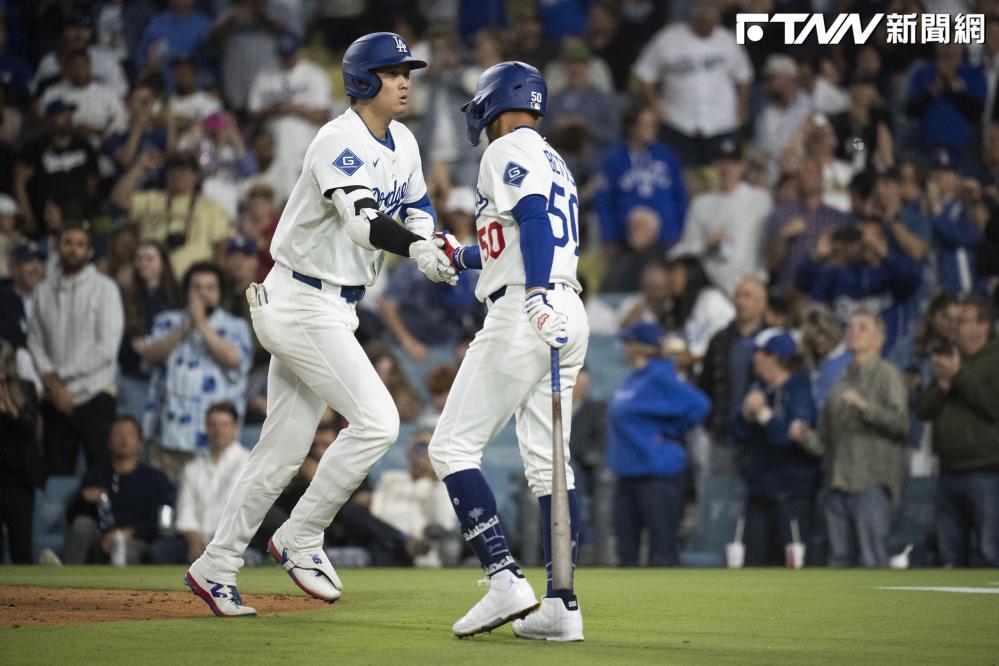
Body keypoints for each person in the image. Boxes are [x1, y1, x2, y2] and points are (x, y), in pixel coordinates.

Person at [184, 32, 454, 618]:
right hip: (300, 299)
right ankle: (301, 537)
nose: (405, 80)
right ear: (362, 81)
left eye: (407, 70)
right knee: (380, 421)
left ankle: (216, 564)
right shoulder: (336, 138)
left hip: (334, 305)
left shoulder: (404, 140)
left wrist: (433, 241)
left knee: (280, 454)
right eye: (391, 72)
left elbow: (417, 207)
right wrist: (418, 250)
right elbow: (362, 223)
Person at [428, 61, 589, 641]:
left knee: (450, 447)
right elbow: (523, 238)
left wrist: (537, 295)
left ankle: (503, 577)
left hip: (530, 307)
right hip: (566, 306)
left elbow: (532, 221)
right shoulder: (554, 158)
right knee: (550, 468)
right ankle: (562, 605)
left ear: (494, 102)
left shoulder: (507, 147)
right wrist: (465, 258)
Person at [791, 311, 909, 567]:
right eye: (851, 326)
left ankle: (879, 609)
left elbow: (901, 424)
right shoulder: (839, 383)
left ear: (879, 339)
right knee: (838, 559)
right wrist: (803, 436)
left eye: (862, 327)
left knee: (872, 557)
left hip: (872, 482)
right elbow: (823, 441)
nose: (853, 331)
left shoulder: (888, 374)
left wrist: (865, 407)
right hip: (837, 482)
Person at [607, 322, 710, 567]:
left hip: (658, 475)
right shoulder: (634, 378)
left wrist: (669, 431)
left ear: (639, 347)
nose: (625, 348)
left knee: (663, 547)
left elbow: (700, 405)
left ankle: (673, 604)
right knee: (625, 549)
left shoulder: (660, 375)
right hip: (628, 473)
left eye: (628, 342)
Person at [27, 224, 123, 475]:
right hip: (55, 399)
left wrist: (56, 377)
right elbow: (35, 339)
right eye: (68, 242)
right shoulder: (43, 291)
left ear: (90, 251)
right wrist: (53, 384)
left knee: (101, 474)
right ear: (58, 248)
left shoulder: (105, 289)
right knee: (56, 475)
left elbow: (106, 349)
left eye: (80, 244)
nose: (73, 249)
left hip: (95, 393)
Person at [140, 262, 252, 477]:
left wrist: (201, 326)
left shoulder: (235, 326)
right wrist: (185, 327)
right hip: (167, 436)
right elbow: (151, 356)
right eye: (196, 287)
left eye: (210, 288)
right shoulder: (167, 321)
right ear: (186, 292)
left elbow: (234, 359)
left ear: (220, 293)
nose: (203, 293)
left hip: (213, 440)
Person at [915, 297, 999, 567]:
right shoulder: (949, 356)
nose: (954, 326)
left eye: (961, 320)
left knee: (989, 551)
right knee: (950, 555)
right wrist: (941, 384)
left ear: (982, 325)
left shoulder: (995, 359)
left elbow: (993, 406)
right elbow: (923, 410)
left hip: (987, 470)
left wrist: (958, 377)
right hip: (948, 469)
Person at [734, 330, 820, 566]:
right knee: (754, 562)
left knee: (793, 562)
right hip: (759, 490)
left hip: (792, 492)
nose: (754, 359)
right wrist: (747, 413)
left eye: (759, 354)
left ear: (774, 358)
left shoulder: (799, 390)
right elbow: (737, 433)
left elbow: (786, 438)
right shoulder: (758, 389)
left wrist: (763, 414)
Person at [633, 3, 751, 167]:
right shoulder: (668, 39)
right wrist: (654, 105)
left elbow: (744, 75)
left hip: (721, 122)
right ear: (694, 18)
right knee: (681, 174)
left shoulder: (727, 40)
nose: (710, 24)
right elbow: (645, 74)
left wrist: (742, 106)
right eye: (705, 20)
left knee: (722, 177)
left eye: (713, 19)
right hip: (678, 123)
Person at [62, 416, 174, 564]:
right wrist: (83, 499)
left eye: (129, 434)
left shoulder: (156, 479)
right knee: (82, 524)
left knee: (128, 550)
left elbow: (163, 522)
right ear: (109, 442)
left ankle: (127, 587)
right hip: (101, 541)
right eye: (118, 434)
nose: (124, 439)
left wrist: (129, 532)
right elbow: (71, 517)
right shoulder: (96, 475)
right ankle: (66, 579)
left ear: (140, 444)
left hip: (136, 542)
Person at [150, 402, 251, 564]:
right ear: (206, 428)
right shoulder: (192, 467)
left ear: (236, 427)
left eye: (224, 425)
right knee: (160, 550)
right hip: (195, 541)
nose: (218, 430)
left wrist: (214, 547)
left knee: (248, 557)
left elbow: (242, 511)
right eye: (213, 425)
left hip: (234, 544)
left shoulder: (249, 462)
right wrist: (196, 542)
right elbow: (185, 512)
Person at [669, 139, 772, 297]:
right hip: (710, 290)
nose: (727, 169)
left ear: (742, 166)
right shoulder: (700, 204)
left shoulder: (761, 200)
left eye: (733, 163)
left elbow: (767, 249)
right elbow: (681, 252)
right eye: (722, 163)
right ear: (714, 167)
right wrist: (706, 245)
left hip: (749, 288)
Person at [111, 150, 232, 278]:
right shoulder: (152, 199)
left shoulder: (210, 206)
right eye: (173, 170)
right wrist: (140, 166)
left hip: (192, 283)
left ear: (196, 176)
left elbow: (221, 246)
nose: (178, 174)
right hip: (152, 279)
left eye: (184, 170)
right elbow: (118, 199)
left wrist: (216, 277)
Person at [697, 276, 768, 469]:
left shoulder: (771, 341)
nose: (740, 302)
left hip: (761, 439)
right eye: (737, 296)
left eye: (747, 296)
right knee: (719, 495)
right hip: (723, 436)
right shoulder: (719, 340)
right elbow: (705, 385)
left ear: (762, 304)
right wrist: (709, 423)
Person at [369, 429, 458, 567]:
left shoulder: (441, 485)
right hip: (391, 547)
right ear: (408, 452)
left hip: (426, 552)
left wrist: (435, 479)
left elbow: (445, 523)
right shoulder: (389, 479)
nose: (422, 454)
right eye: (419, 447)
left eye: (428, 449)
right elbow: (377, 515)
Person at [0, 339, 44, 563]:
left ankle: (26, 597)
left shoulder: (25, 388)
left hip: (19, 478)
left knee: (21, 547)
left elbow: (29, 430)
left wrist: (8, 406)